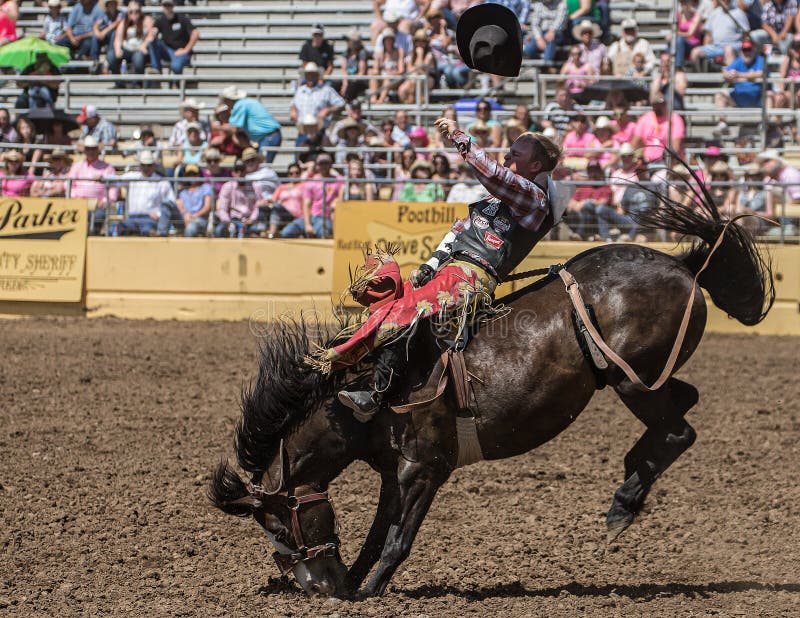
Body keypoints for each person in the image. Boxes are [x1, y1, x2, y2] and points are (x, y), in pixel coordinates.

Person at [329, 116, 562, 419]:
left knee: (405, 312)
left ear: (535, 167)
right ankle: (355, 368)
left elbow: (495, 175)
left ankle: (375, 393)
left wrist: (459, 137)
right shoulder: (497, 199)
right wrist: (430, 264)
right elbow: (458, 231)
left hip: (470, 277)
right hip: (450, 270)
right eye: (508, 153)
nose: (506, 158)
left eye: (515, 155)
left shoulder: (534, 197)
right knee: (389, 302)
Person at [281, 152, 341, 238]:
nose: (323, 166)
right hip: (311, 216)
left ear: (331, 165)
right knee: (286, 232)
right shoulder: (311, 182)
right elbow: (306, 204)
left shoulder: (338, 180)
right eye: (321, 163)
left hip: (326, 217)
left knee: (322, 233)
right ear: (317, 165)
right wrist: (307, 224)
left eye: (326, 163)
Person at [118, 150, 175, 236]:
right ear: (140, 166)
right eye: (143, 165)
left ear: (153, 166)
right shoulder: (133, 177)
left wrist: (159, 214)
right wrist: (102, 178)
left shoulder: (162, 182)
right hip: (132, 218)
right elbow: (114, 180)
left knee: (147, 230)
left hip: (149, 219)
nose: (146, 168)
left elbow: (171, 202)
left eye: (149, 165)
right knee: (121, 228)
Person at [67, 136, 118, 231]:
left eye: (93, 149)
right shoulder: (77, 166)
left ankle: (94, 235)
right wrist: (75, 198)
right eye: (88, 149)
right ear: (85, 151)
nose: (91, 152)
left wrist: (105, 201)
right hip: (79, 202)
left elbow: (113, 188)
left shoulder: (107, 168)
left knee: (98, 216)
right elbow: (69, 186)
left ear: (97, 150)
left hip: (98, 204)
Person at [219, 86, 282, 163]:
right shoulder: (246, 102)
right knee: (262, 164)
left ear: (229, 100)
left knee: (263, 166)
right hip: (268, 137)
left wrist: (216, 127)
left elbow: (233, 128)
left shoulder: (240, 104)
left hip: (268, 137)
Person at [290, 62, 346, 146]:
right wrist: (293, 110)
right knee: (299, 155)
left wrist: (328, 110)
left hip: (320, 130)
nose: (310, 77)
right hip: (303, 129)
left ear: (317, 76)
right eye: (308, 75)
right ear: (305, 76)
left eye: (313, 75)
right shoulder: (300, 90)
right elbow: (293, 103)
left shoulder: (326, 90)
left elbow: (341, 104)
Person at [689, 0, 749, 67]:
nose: (725, 1)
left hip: (734, 46)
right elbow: (708, 35)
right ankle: (697, 74)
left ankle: (731, 74)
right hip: (716, 46)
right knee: (695, 52)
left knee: (728, 50)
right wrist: (706, 47)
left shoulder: (739, 13)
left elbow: (746, 35)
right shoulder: (714, 13)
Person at [146, 0, 198, 76]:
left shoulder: (182, 19)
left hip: (181, 51)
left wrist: (186, 50)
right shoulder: (160, 20)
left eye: (169, 5)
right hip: (168, 50)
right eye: (165, 5)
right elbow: (153, 31)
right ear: (162, 6)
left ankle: (176, 83)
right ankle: (156, 68)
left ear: (173, 6)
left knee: (176, 67)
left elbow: (195, 33)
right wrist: (152, 35)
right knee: (152, 41)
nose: (167, 8)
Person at [159, 163, 212, 237]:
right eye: (189, 174)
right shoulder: (183, 191)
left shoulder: (206, 188)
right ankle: (161, 234)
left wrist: (194, 217)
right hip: (184, 218)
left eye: (194, 174)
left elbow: (207, 207)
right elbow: (178, 203)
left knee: (190, 228)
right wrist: (185, 214)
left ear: (199, 175)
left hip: (199, 219)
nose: (192, 177)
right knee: (166, 203)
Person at [108, 1, 152, 88]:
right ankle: (119, 83)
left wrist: (144, 45)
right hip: (126, 48)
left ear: (140, 11)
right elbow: (118, 38)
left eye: (136, 11)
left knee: (138, 58)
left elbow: (151, 36)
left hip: (140, 49)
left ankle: (138, 83)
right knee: (110, 56)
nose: (134, 14)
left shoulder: (146, 20)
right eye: (131, 11)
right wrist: (117, 49)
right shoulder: (124, 22)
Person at [631, 93, 685, 164]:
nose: (658, 107)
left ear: (665, 104)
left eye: (661, 104)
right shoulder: (645, 118)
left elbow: (675, 147)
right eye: (655, 105)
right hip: (647, 161)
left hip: (667, 162)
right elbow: (635, 142)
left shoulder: (675, 119)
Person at [715, 39, 765, 109]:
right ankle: (722, 120)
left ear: (754, 50)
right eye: (744, 50)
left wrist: (738, 75)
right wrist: (729, 75)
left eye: (749, 49)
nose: (747, 52)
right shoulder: (739, 61)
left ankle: (767, 120)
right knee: (720, 95)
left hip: (757, 98)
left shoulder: (760, 59)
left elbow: (760, 73)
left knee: (769, 95)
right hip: (738, 97)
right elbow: (725, 73)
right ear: (741, 51)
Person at [214, 159, 258, 237]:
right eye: (237, 170)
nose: (240, 173)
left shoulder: (254, 186)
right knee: (219, 230)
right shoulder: (227, 186)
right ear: (233, 173)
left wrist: (252, 219)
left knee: (256, 231)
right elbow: (222, 208)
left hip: (249, 219)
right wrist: (228, 222)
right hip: (232, 219)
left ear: (246, 172)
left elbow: (257, 205)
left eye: (242, 170)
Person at [564, 160, 607, 239]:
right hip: (579, 215)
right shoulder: (584, 186)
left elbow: (604, 202)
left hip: (595, 218)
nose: (593, 174)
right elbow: (572, 201)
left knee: (587, 206)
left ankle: (580, 234)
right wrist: (576, 205)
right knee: (565, 207)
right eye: (590, 171)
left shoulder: (604, 186)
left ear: (600, 172)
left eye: (595, 171)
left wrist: (584, 203)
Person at [265, 161, 306, 237]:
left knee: (277, 207)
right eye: (291, 173)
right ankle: (271, 233)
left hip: (298, 215)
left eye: (297, 173)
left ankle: (272, 233)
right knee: (275, 207)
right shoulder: (282, 187)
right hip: (283, 214)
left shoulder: (304, 186)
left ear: (301, 173)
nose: (294, 175)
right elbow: (273, 200)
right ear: (288, 175)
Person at [398, 30, 436, 104]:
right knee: (402, 90)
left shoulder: (429, 55)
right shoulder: (410, 55)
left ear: (426, 43)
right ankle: (408, 104)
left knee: (414, 83)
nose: (420, 43)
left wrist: (420, 55)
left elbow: (422, 68)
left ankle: (413, 103)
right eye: (418, 41)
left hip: (428, 78)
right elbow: (410, 70)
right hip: (413, 78)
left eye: (423, 41)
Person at [369, 28, 405, 104]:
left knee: (387, 78)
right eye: (386, 40)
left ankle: (381, 99)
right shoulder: (379, 53)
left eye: (390, 39)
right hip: (382, 78)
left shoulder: (399, 51)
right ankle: (373, 98)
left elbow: (401, 70)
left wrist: (390, 73)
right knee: (372, 73)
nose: (388, 42)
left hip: (394, 79)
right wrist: (380, 72)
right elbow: (375, 69)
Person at [339, 29, 369, 101]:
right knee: (335, 85)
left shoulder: (362, 53)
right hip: (348, 80)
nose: (347, 42)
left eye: (348, 40)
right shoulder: (346, 53)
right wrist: (345, 83)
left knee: (351, 86)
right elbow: (344, 70)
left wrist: (350, 82)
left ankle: (346, 105)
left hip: (359, 81)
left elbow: (361, 72)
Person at [672, 0, 703, 69]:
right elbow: (674, 31)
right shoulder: (678, 16)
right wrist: (672, 36)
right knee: (671, 41)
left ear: (690, 3)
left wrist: (674, 34)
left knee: (679, 39)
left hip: (693, 44)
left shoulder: (696, 16)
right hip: (682, 43)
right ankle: (670, 65)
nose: (683, 4)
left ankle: (678, 67)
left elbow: (690, 34)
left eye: (685, 2)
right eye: (682, 2)